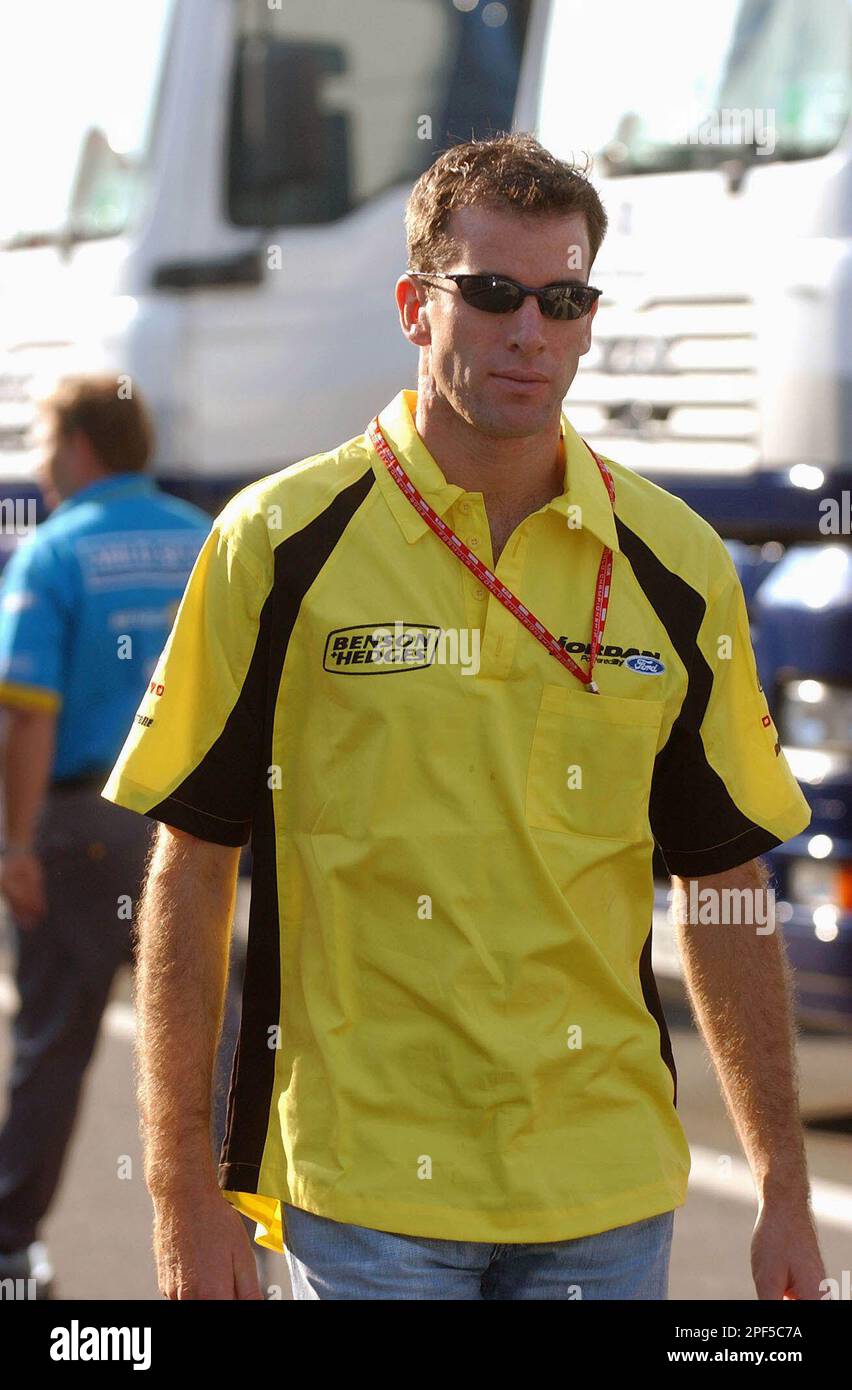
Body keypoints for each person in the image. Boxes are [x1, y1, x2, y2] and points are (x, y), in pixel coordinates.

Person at [101, 134, 824, 1301]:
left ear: (590, 316)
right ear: (412, 305)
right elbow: (192, 864)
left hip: (606, 1201)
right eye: (490, 295)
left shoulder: (680, 563)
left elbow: (725, 877)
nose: (528, 332)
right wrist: (184, 1190)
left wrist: (784, 1188)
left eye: (563, 297)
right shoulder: (276, 542)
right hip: (363, 1200)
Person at [0, 374, 211, 1296]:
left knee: (55, 1043)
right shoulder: (204, 541)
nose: (41, 469)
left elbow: (26, 715)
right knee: (215, 1043)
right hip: (195, 829)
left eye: (46, 446)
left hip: (81, 826)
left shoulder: (53, 553)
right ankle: (247, 1240)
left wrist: (11, 842)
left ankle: (7, 1246)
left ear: (81, 446)